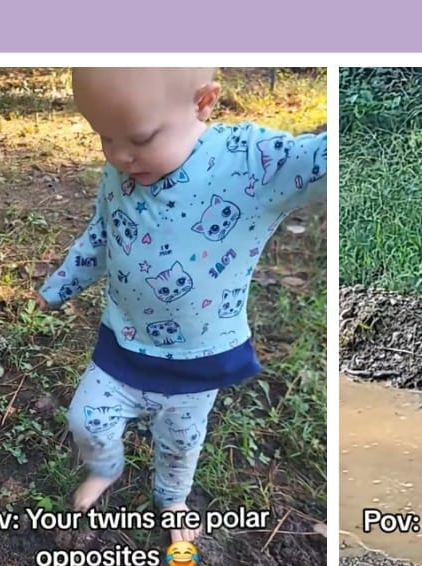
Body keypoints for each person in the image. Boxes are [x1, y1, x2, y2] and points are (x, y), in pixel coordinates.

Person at [35, 67, 327, 541]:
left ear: (203, 102)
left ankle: (173, 499)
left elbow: (323, 159)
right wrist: (58, 287)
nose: (121, 156)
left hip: (196, 358)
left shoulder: (249, 163)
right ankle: (105, 468)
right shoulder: (121, 172)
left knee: (180, 442)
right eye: (104, 138)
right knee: (85, 419)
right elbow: (102, 237)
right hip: (123, 342)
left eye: (140, 137)